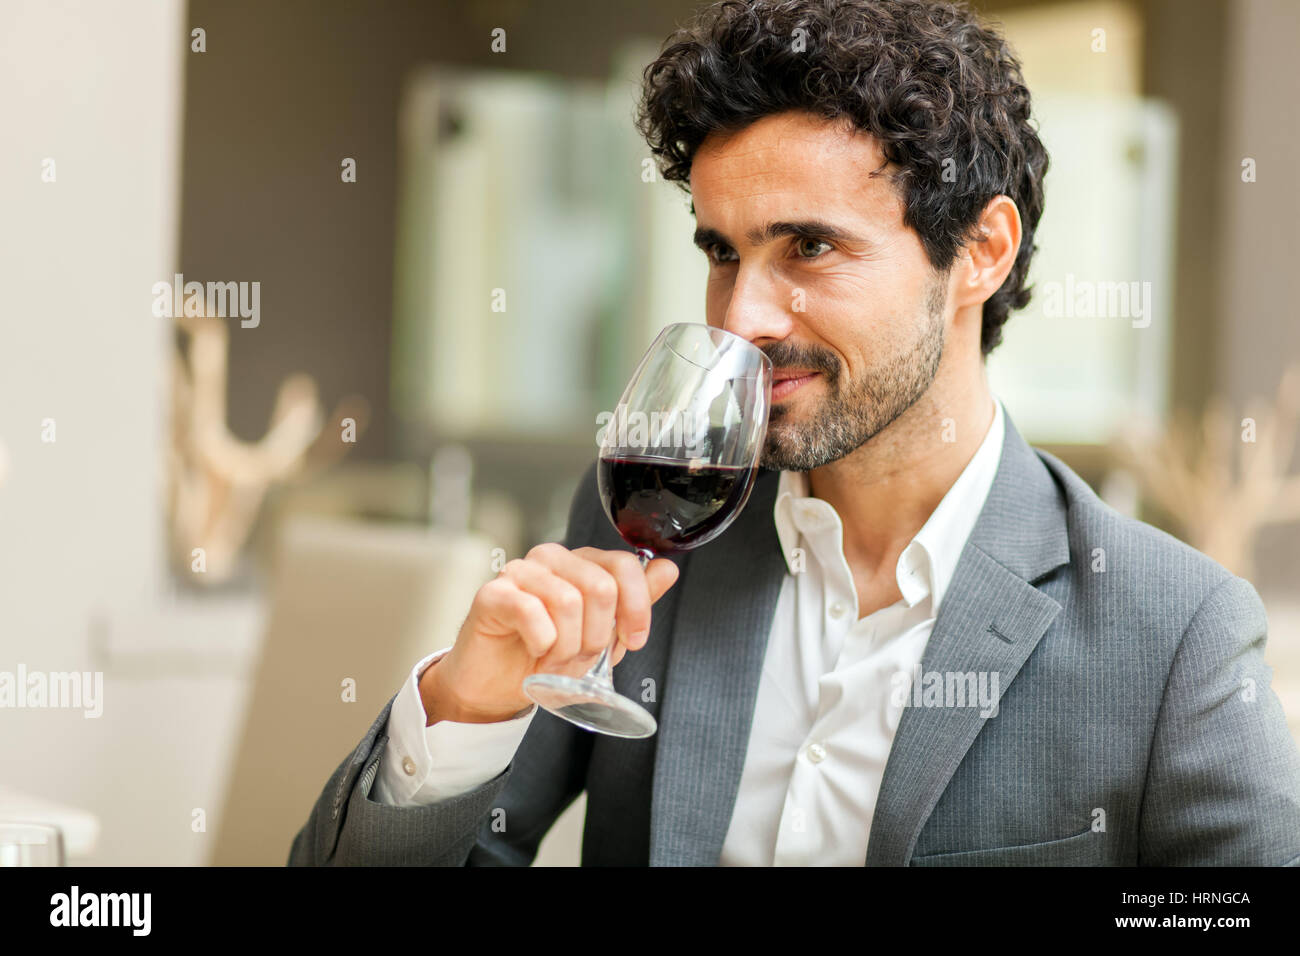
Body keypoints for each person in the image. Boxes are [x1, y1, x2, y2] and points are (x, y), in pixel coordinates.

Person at [289, 0, 1300, 866]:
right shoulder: (640, 539)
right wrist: (463, 712)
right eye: (722, 252)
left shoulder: (1173, 631)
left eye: (808, 246)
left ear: (980, 252)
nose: (741, 319)